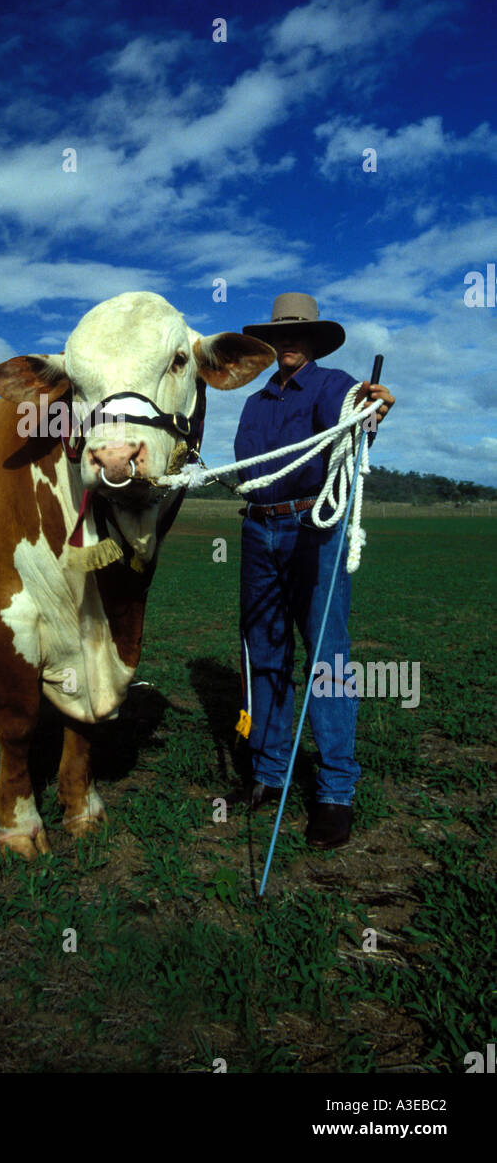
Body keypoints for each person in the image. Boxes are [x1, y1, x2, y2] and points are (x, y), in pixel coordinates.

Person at [234, 293, 395, 848]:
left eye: (299, 334)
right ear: (271, 342)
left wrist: (372, 413)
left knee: (327, 656)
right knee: (264, 652)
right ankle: (270, 774)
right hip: (258, 531)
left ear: (316, 341)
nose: (289, 342)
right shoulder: (255, 403)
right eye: (281, 335)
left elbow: (353, 425)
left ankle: (334, 792)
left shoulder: (335, 386)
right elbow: (246, 468)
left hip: (314, 529)